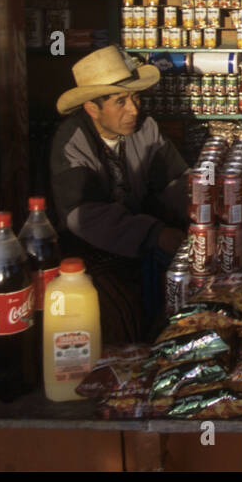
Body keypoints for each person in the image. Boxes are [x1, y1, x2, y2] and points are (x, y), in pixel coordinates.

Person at [49, 46, 188, 343]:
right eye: (120, 101)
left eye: (135, 98)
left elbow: (174, 181)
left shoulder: (144, 129)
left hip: (141, 248)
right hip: (88, 259)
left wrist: (204, 211)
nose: (134, 110)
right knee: (122, 321)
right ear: (92, 108)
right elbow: (82, 216)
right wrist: (155, 233)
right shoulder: (72, 143)